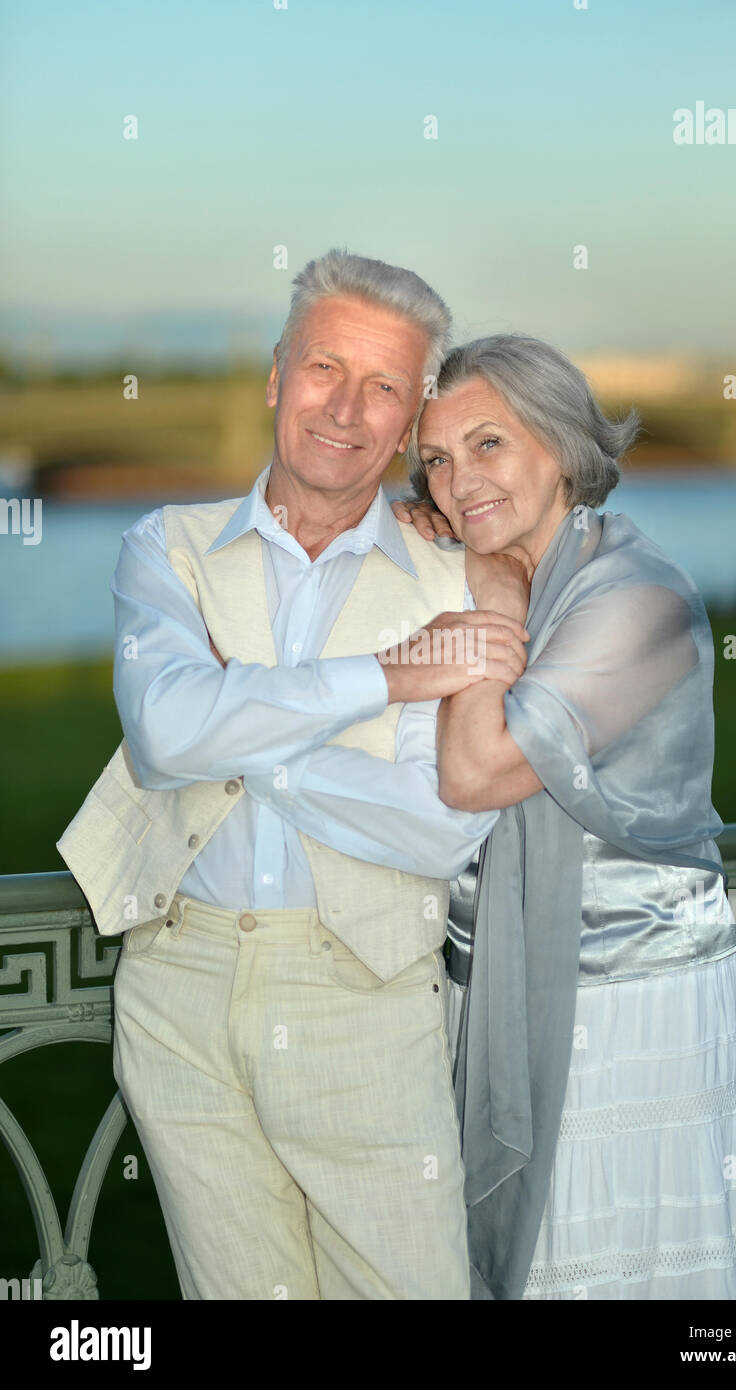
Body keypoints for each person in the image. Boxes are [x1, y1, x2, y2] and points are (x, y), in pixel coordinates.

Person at [56, 251, 536, 1300]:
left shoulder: (458, 577)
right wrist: (388, 676)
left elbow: (442, 823)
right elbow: (164, 735)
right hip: (178, 990)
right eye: (325, 368)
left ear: (410, 422)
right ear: (278, 376)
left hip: (367, 998)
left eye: (384, 386)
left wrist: (237, 724)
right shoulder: (166, 547)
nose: (346, 409)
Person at [394, 333, 736, 1301]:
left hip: (629, 1005)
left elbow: (476, 771)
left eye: (487, 444)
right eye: (437, 460)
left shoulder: (639, 598)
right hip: (485, 990)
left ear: (560, 445)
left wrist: (486, 598)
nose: (459, 482)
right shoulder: (473, 571)